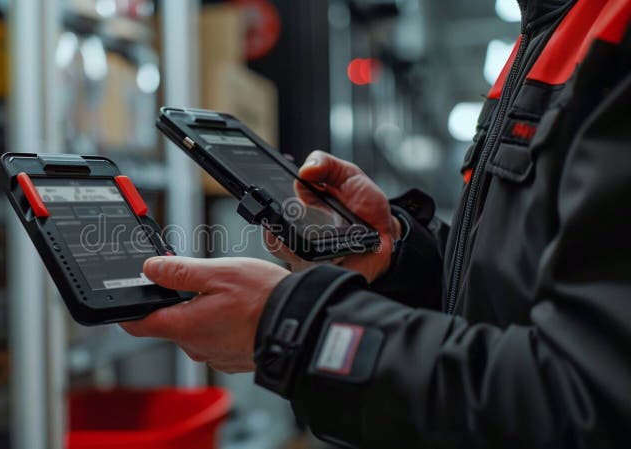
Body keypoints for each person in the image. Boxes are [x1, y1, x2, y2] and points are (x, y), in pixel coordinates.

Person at [122, 0, 631, 447]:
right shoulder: (549, 28)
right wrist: (397, 260)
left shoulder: (613, 31)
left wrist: (294, 326)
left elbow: (587, 403)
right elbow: (508, 300)